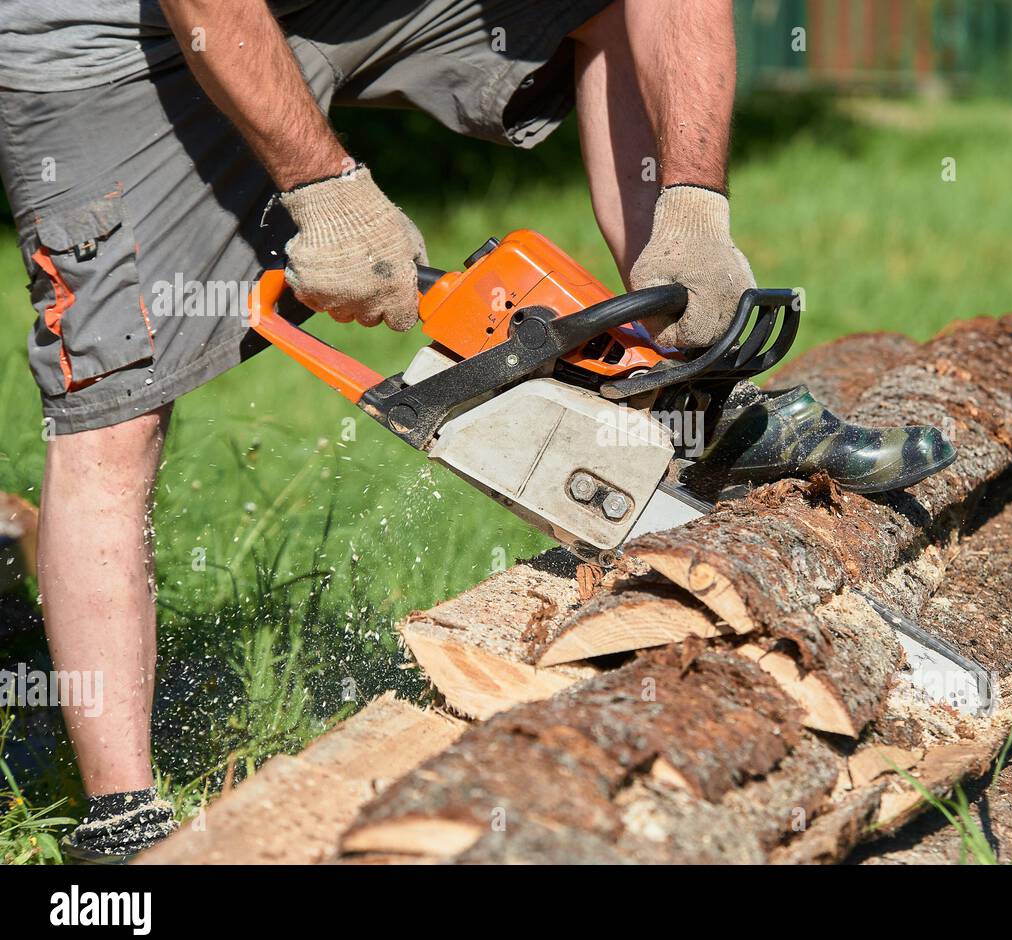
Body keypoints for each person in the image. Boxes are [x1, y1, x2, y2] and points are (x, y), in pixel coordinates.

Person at [0, 0, 952, 862]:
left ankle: (680, 395)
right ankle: (121, 820)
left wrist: (694, 207)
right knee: (110, 427)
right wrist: (325, 190)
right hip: (121, 47)